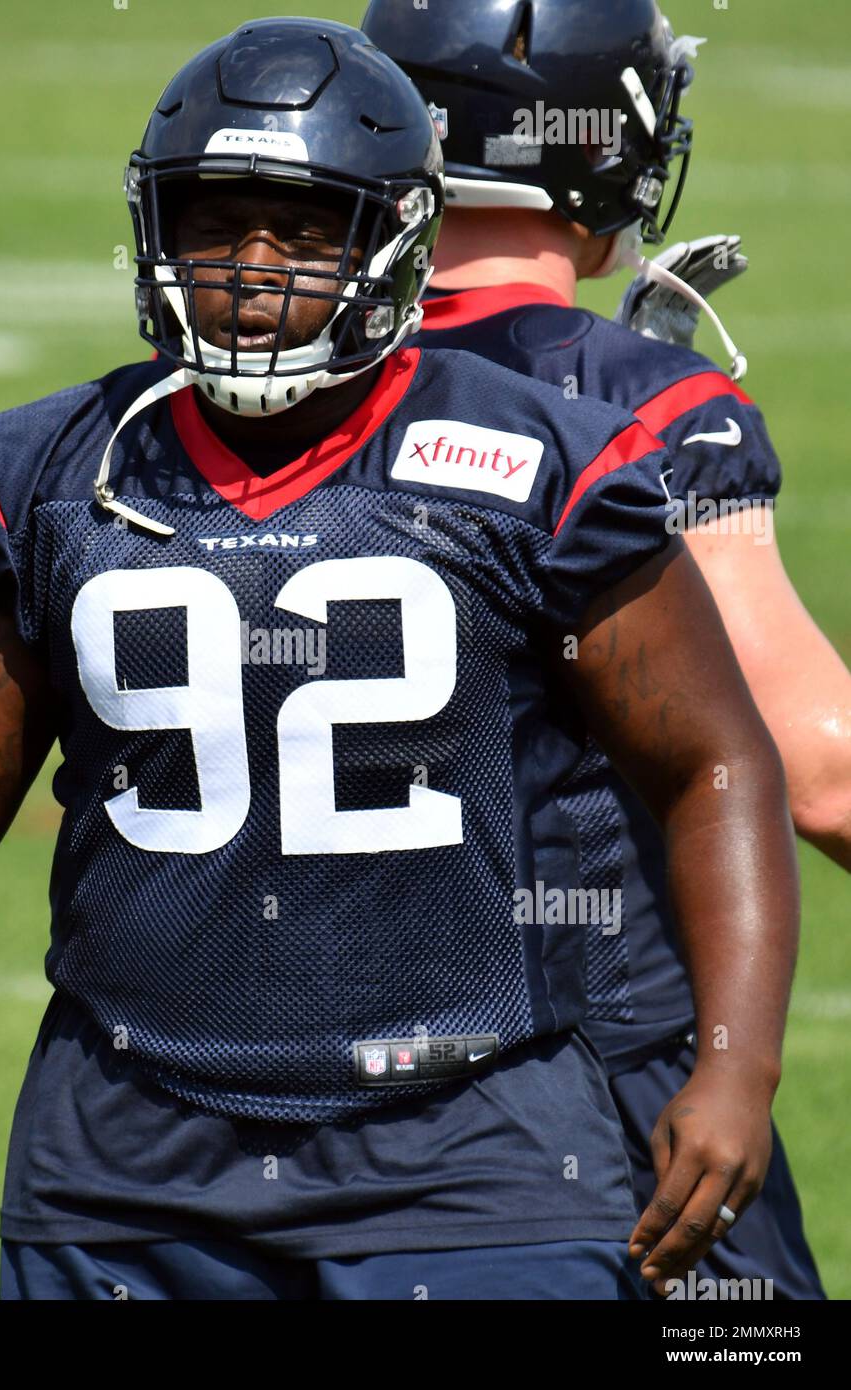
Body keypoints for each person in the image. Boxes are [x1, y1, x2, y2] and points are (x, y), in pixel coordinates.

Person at [0, 18, 799, 1302]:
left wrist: (736, 1061)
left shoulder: (544, 465)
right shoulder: (51, 477)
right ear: (156, 233)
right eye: (216, 222)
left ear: (394, 238)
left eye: (304, 226)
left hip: (475, 1157)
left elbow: (714, 763)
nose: (254, 267)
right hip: (124, 1161)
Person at [361, 0, 846, 1297]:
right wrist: (625, 409)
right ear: (604, 140)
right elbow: (822, 772)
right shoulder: (639, 407)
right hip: (573, 1073)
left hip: (257, 1089)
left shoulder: (252, 392)